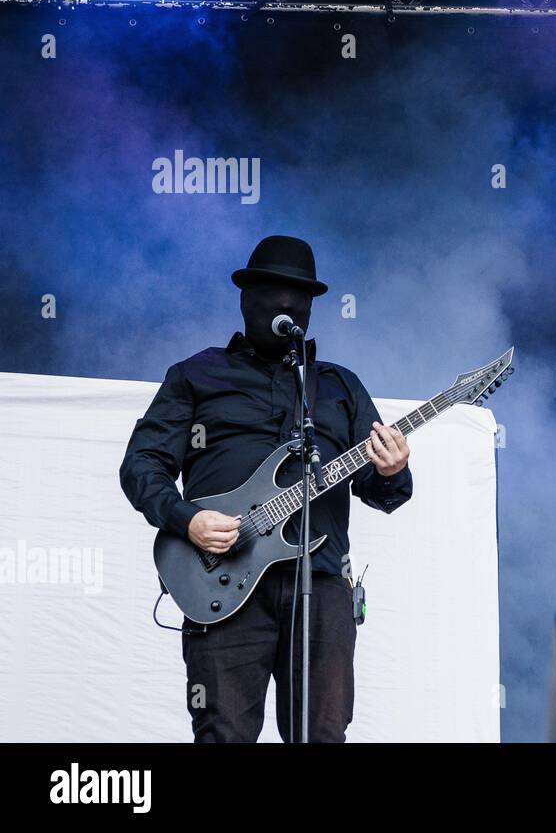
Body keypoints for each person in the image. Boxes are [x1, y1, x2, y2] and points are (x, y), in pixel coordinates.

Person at [119, 234, 413, 742]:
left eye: (297, 295)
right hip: (224, 585)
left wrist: (391, 471)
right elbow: (142, 463)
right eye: (272, 290)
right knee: (224, 732)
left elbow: (380, 489)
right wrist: (186, 519)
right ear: (245, 298)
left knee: (322, 733)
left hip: (319, 582)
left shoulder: (339, 387)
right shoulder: (196, 375)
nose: (285, 303)